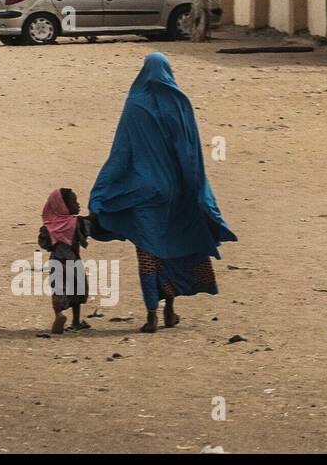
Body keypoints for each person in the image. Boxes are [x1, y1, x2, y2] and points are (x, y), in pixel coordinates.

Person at [88, 53, 237, 333]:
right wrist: (197, 191)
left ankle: (151, 315)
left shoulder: (134, 105)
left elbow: (121, 153)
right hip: (174, 191)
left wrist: (100, 193)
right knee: (173, 250)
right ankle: (170, 310)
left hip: (142, 193)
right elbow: (190, 152)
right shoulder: (178, 104)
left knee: (148, 253)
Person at [38, 188, 94, 335]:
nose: (77, 204)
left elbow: (44, 244)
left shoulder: (49, 226)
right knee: (78, 289)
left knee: (58, 290)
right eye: (74, 202)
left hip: (56, 262)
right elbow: (89, 229)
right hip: (74, 262)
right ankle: (76, 321)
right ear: (64, 206)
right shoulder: (77, 223)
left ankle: (59, 315)